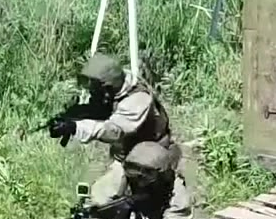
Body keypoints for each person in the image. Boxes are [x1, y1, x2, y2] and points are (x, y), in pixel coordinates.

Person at [48, 53, 179, 205]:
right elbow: (102, 109)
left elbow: (114, 131)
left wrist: (76, 127)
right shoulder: (117, 91)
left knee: (103, 202)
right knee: (97, 195)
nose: (92, 90)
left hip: (149, 161)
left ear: (108, 86)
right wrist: (73, 116)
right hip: (126, 154)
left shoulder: (137, 99)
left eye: (95, 86)